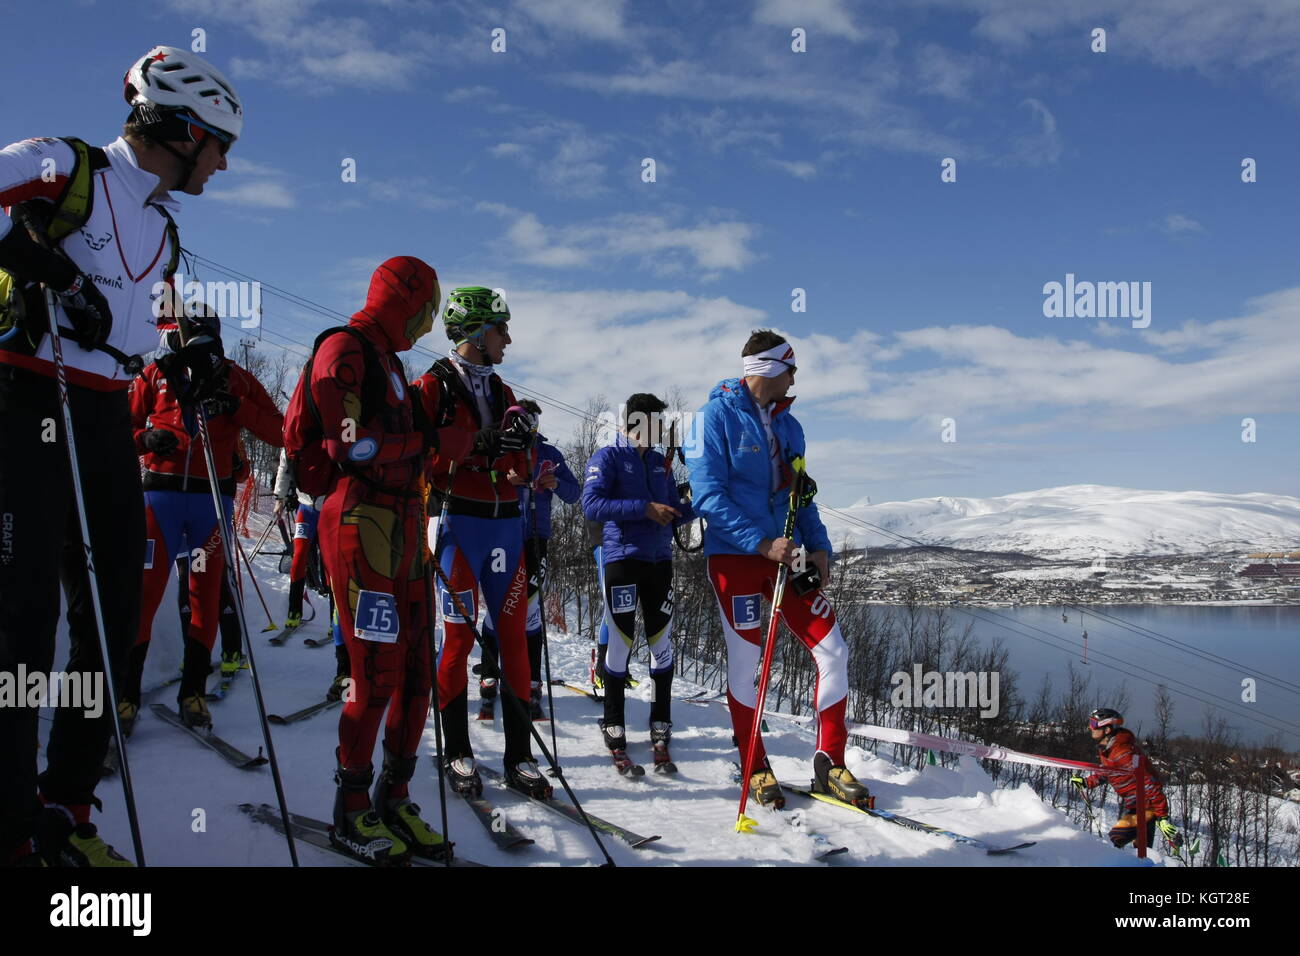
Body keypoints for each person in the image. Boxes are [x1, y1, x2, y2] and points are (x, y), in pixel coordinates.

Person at [0, 45, 240, 867]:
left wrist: (189, 361)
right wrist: (24, 255)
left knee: (107, 619)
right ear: (179, 129)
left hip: (105, 418)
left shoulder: (166, 233)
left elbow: (153, 325)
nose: (223, 164)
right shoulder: (62, 167)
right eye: (220, 146)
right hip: (26, 398)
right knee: (21, 619)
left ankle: (66, 802)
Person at [287, 256, 447, 865]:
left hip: (405, 521)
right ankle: (350, 810)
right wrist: (418, 442)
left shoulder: (393, 362)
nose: (427, 324)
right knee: (375, 669)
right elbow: (348, 442)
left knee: (414, 670)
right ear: (406, 300)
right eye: (425, 309)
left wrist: (430, 448)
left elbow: (403, 444)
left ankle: (395, 793)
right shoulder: (345, 349)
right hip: (361, 520)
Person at [686, 330, 870, 809]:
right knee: (747, 666)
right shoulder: (710, 419)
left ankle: (830, 761)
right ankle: (755, 764)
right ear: (769, 368)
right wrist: (760, 543)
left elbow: (800, 493)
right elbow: (707, 496)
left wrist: (820, 547)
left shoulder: (791, 426)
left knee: (833, 648)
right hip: (736, 557)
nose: (795, 378)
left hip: (787, 557)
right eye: (791, 369)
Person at [411, 286, 550, 799]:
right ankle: (457, 749)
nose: (508, 339)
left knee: (513, 640)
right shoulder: (432, 386)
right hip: (458, 527)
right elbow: (419, 457)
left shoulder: (503, 392)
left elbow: (520, 469)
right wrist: (479, 446)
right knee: (460, 639)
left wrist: (523, 447)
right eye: (500, 330)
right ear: (474, 332)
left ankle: (520, 757)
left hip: (505, 527)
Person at [120, 310, 282, 730]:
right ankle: (125, 695)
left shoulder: (234, 377)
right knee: (145, 593)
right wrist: (145, 440)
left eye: (204, 339)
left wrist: (236, 406)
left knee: (204, 596)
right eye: (187, 337)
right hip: (161, 494)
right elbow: (119, 425)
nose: (194, 347)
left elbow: (282, 431)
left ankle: (192, 692)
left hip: (211, 501)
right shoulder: (155, 374)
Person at [582, 393, 692, 773]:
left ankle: (660, 720)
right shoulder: (608, 457)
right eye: (658, 422)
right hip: (622, 560)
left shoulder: (661, 464)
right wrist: (644, 509)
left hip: (660, 562)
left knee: (663, 643)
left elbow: (672, 514)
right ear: (639, 422)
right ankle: (613, 719)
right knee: (621, 643)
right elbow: (591, 505)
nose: (663, 429)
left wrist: (699, 500)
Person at [477, 399, 579, 720]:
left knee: (531, 607)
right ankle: (489, 672)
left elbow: (575, 493)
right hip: (501, 532)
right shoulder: (502, 448)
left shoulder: (549, 454)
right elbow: (479, 482)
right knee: (498, 605)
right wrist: (502, 480)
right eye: (523, 419)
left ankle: (532, 680)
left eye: (533, 420)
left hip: (537, 537)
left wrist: (555, 482)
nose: (528, 426)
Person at [1072, 708, 1181, 851]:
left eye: (1093, 724)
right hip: (1137, 805)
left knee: (1114, 840)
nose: (1089, 727)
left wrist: (1163, 817)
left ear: (1107, 729)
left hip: (1146, 807)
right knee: (1142, 852)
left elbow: (1150, 783)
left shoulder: (1122, 752)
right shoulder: (1108, 748)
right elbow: (1109, 772)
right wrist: (1087, 782)